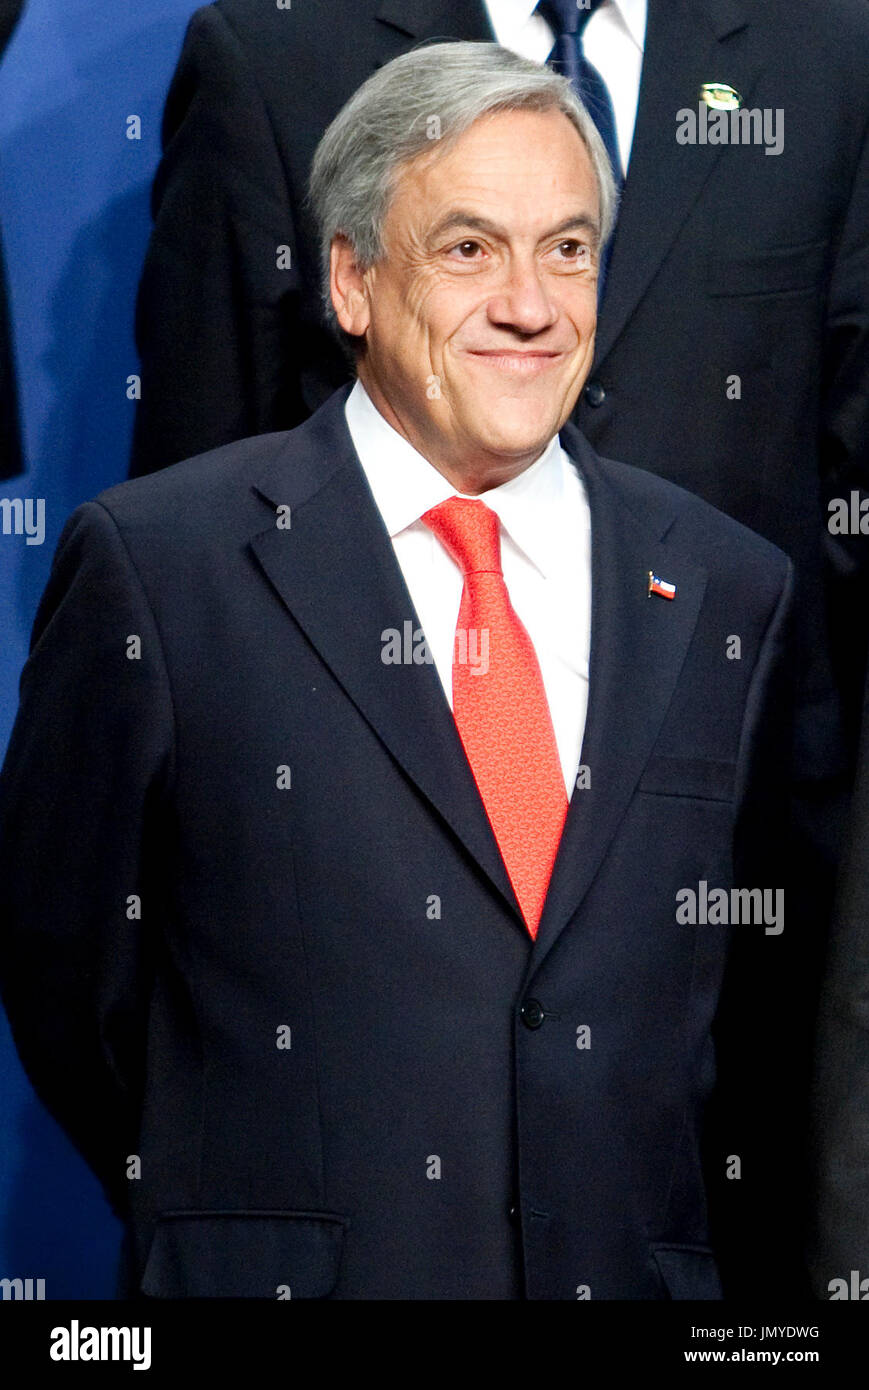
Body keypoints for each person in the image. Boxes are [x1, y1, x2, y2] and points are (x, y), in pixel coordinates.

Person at [0, 43, 796, 1300]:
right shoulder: (166, 567)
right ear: (354, 281)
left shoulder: (723, 584)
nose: (531, 304)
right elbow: (67, 977)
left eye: (569, 248)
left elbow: (751, 1013)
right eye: (470, 249)